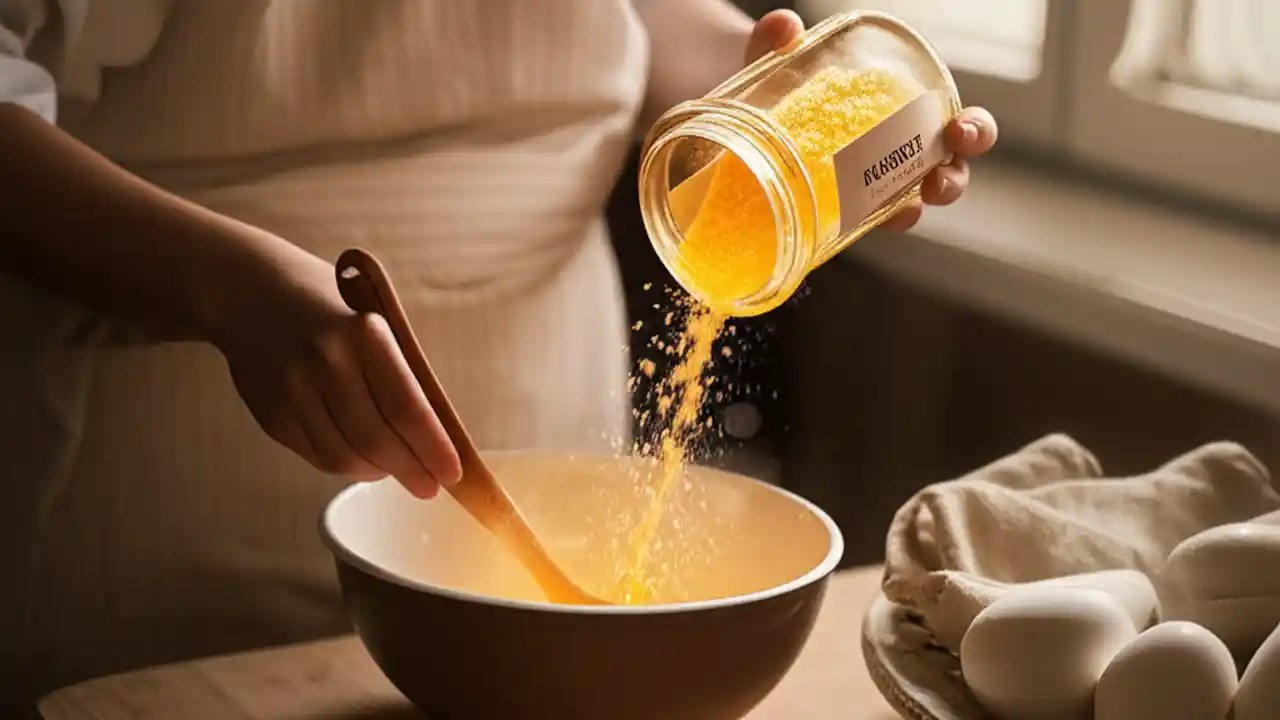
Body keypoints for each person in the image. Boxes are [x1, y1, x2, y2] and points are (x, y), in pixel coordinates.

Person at [0, 0, 998, 707]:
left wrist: (765, 96)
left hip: (546, 425)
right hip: (169, 555)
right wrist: (224, 290)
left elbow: (622, 18)